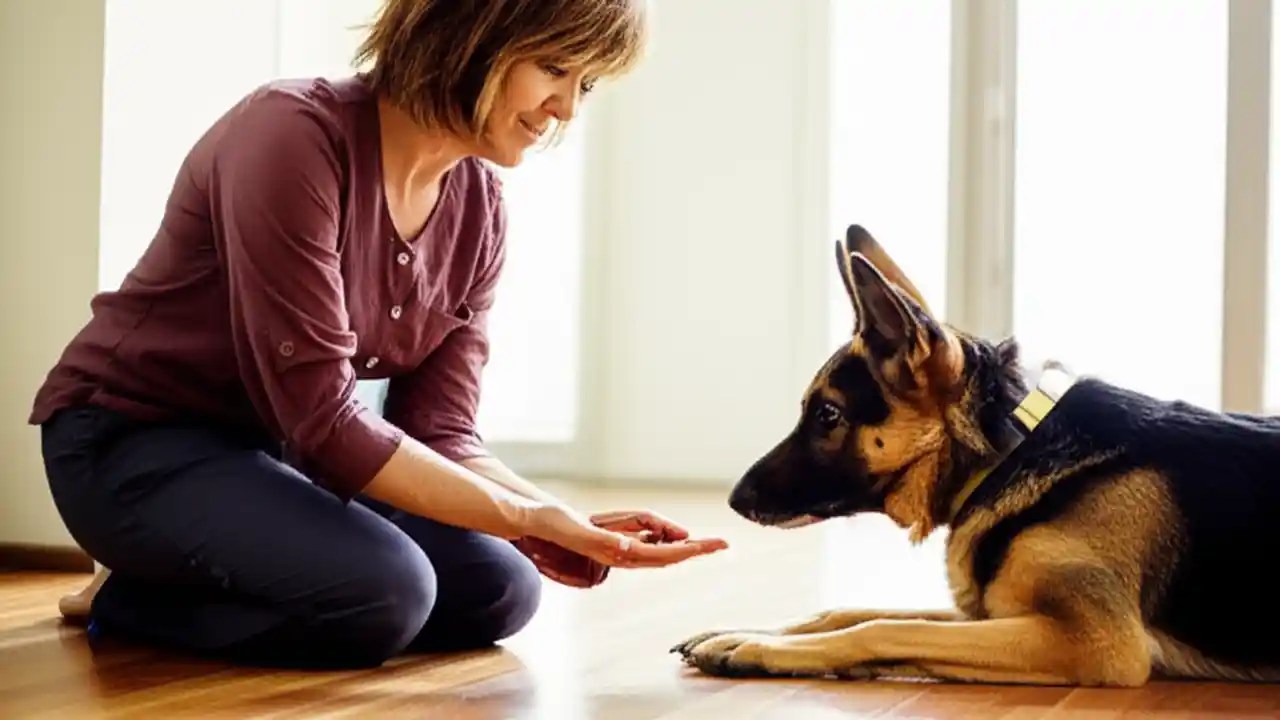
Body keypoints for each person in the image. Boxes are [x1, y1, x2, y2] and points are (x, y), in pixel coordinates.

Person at [30, 0, 727, 670]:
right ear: (471, 29)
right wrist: (528, 516)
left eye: (588, 82)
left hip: (280, 453)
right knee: (386, 592)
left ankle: (227, 574)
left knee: (500, 588)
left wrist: (558, 519)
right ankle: (132, 597)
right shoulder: (291, 136)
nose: (568, 109)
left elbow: (441, 430)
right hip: (132, 442)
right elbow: (325, 420)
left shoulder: (480, 208)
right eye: (553, 67)